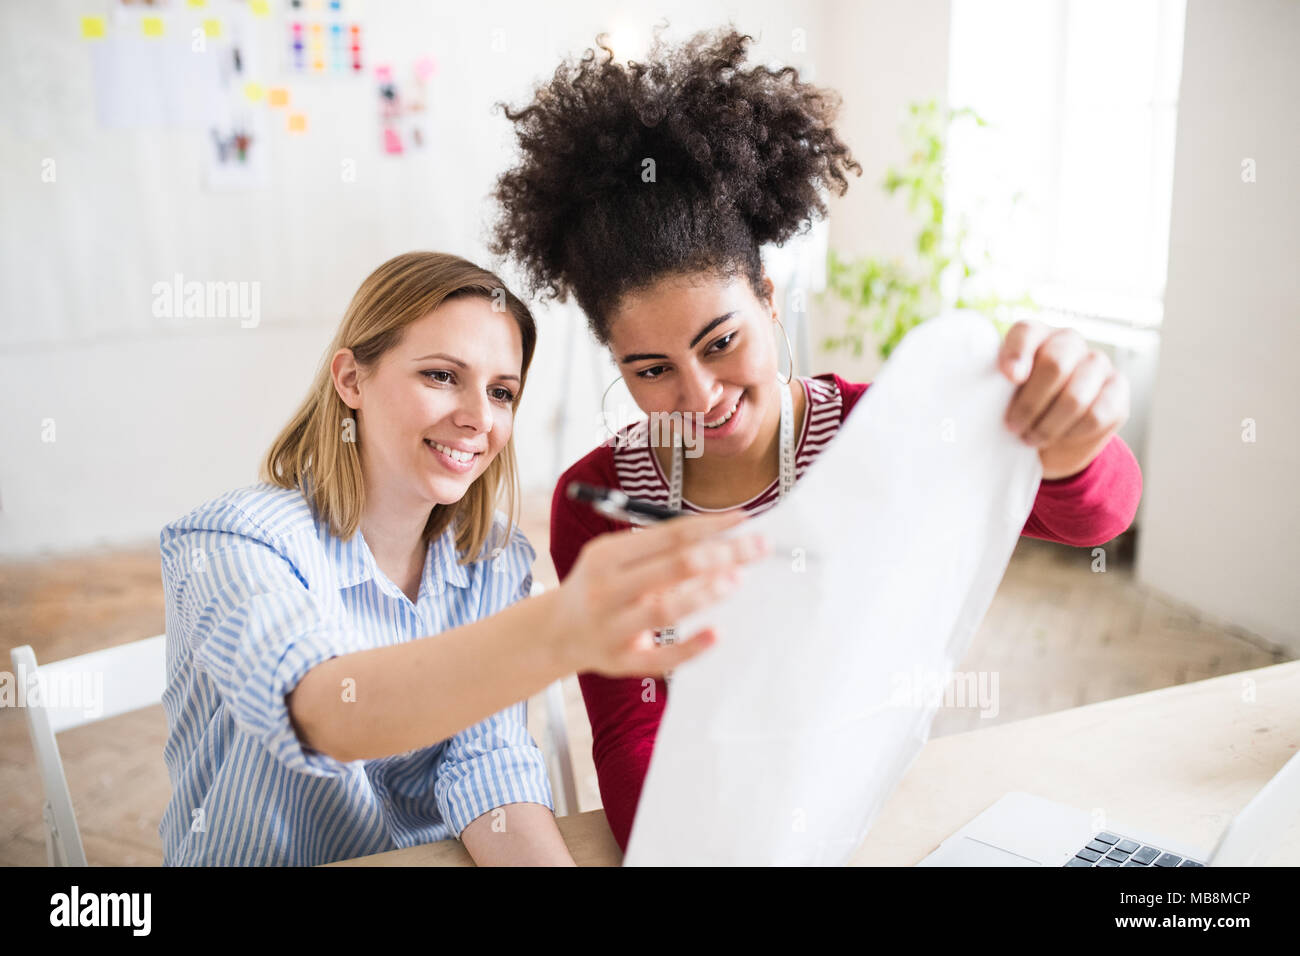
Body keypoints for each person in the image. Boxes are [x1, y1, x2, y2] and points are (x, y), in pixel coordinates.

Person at [491, 28, 1143, 851]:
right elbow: (630, 734)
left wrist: (1072, 436)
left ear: (768, 297)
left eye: (721, 342)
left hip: (870, 801)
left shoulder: (882, 430)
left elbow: (1095, 521)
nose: (701, 398)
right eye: (651, 370)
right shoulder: (598, 502)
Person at [158, 251, 768, 865]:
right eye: (442, 376)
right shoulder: (233, 543)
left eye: (501, 392)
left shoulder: (492, 560)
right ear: (351, 381)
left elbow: (488, 768)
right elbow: (322, 713)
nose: (478, 418)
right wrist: (554, 631)